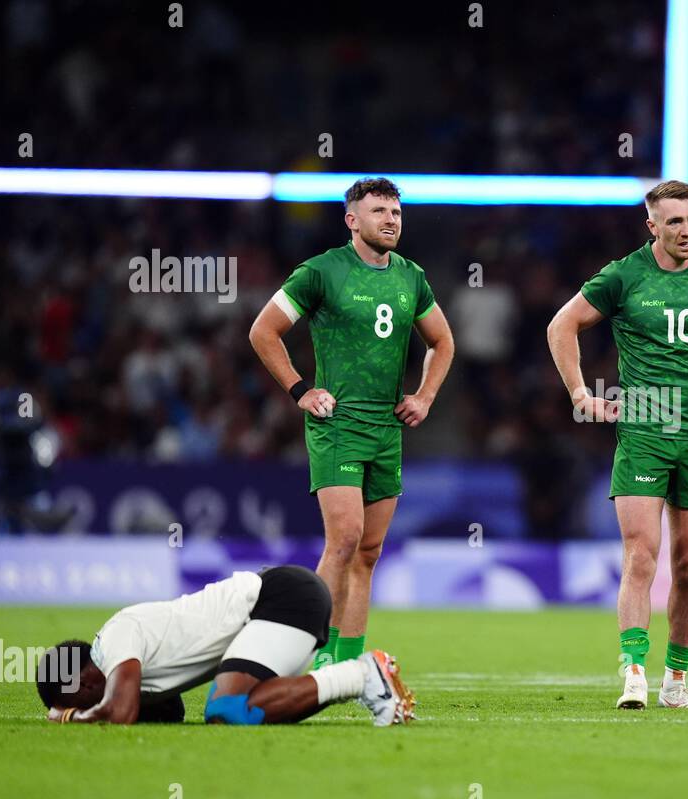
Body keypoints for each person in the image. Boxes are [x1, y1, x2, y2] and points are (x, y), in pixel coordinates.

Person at [547, 179, 688, 709]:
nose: (687, 231)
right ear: (652, 226)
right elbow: (563, 325)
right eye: (674, 222)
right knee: (642, 555)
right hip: (644, 429)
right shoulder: (624, 275)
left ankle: (676, 682)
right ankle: (634, 674)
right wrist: (581, 393)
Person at [249, 177, 455, 668]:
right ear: (352, 221)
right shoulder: (322, 272)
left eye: (396, 213)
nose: (391, 220)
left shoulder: (411, 277)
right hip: (337, 423)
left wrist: (424, 397)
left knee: (368, 552)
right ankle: (310, 655)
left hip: (387, 428)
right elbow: (263, 330)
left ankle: (347, 665)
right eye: (380, 211)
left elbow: (442, 342)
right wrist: (301, 390)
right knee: (342, 541)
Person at [36, 565, 414, 725]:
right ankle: (362, 679)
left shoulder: (113, 640)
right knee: (243, 706)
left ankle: (363, 674)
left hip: (280, 599)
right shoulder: (126, 663)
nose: (90, 708)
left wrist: (68, 717)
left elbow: (118, 713)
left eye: (79, 702)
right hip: (280, 609)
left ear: (84, 683)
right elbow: (171, 712)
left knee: (226, 708)